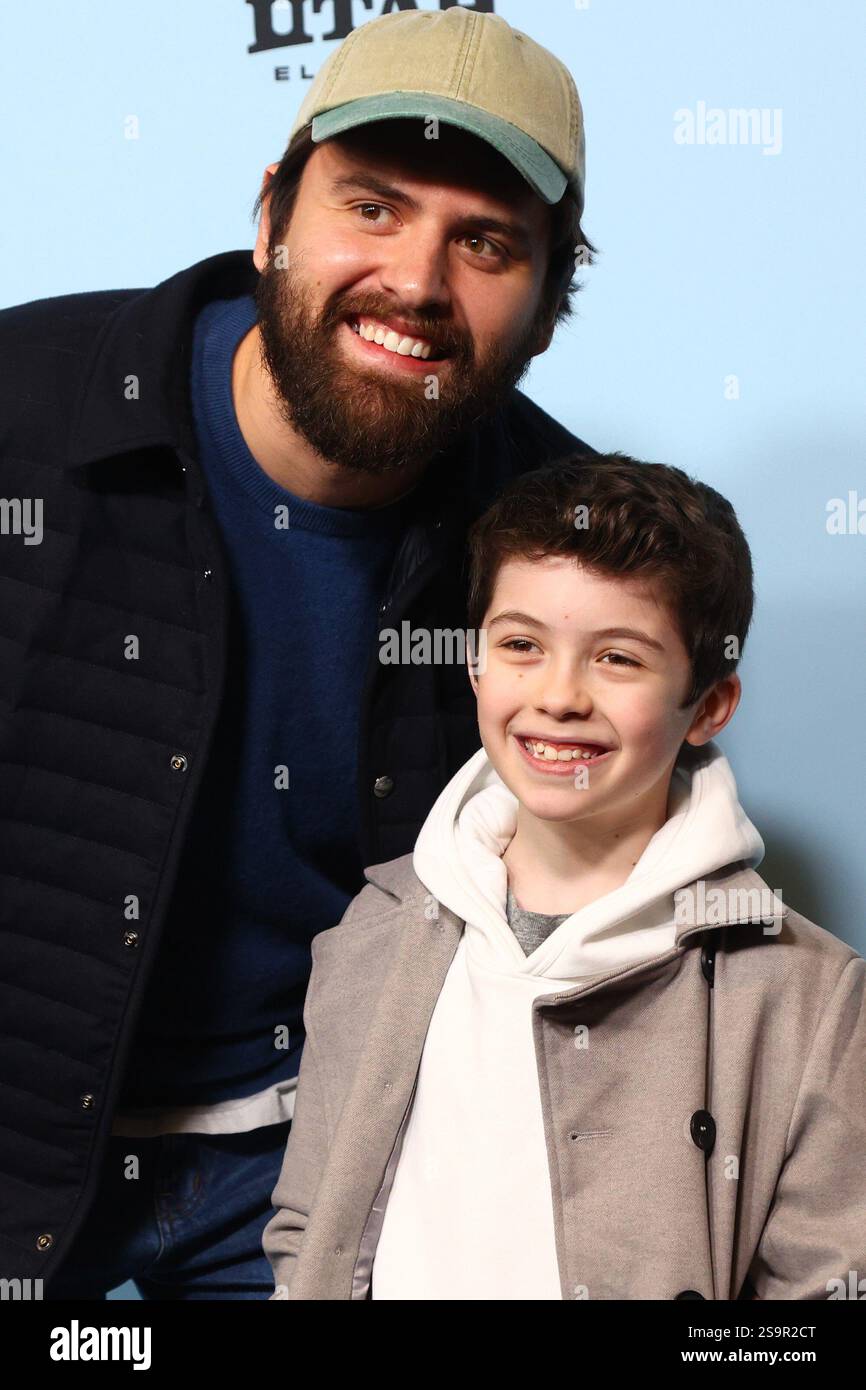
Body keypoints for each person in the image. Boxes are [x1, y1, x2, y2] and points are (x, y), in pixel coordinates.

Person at [0, 10, 595, 1298]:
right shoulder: (22, 404)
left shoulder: (565, 540)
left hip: (312, 1164)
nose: (417, 282)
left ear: (550, 304)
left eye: (485, 242)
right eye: (371, 208)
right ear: (272, 213)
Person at [263, 453, 866, 1301]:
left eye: (618, 659)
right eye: (520, 645)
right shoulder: (377, 925)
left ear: (710, 705)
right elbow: (308, 1228)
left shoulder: (809, 997)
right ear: (473, 664)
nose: (558, 696)